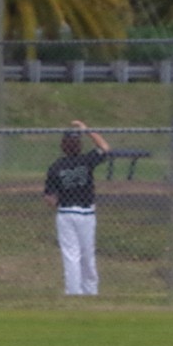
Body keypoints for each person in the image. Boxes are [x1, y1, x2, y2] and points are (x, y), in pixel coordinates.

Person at [43, 120, 111, 296]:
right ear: (79, 145)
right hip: (86, 213)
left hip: (66, 213)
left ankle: (74, 291)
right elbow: (104, 147)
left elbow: (49, 198)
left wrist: (60, 202)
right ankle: (91, 290)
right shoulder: (86, 161)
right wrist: (88, 130)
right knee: (87, 254)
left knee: (71, 255)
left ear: (63, 146)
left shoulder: (56, 166)